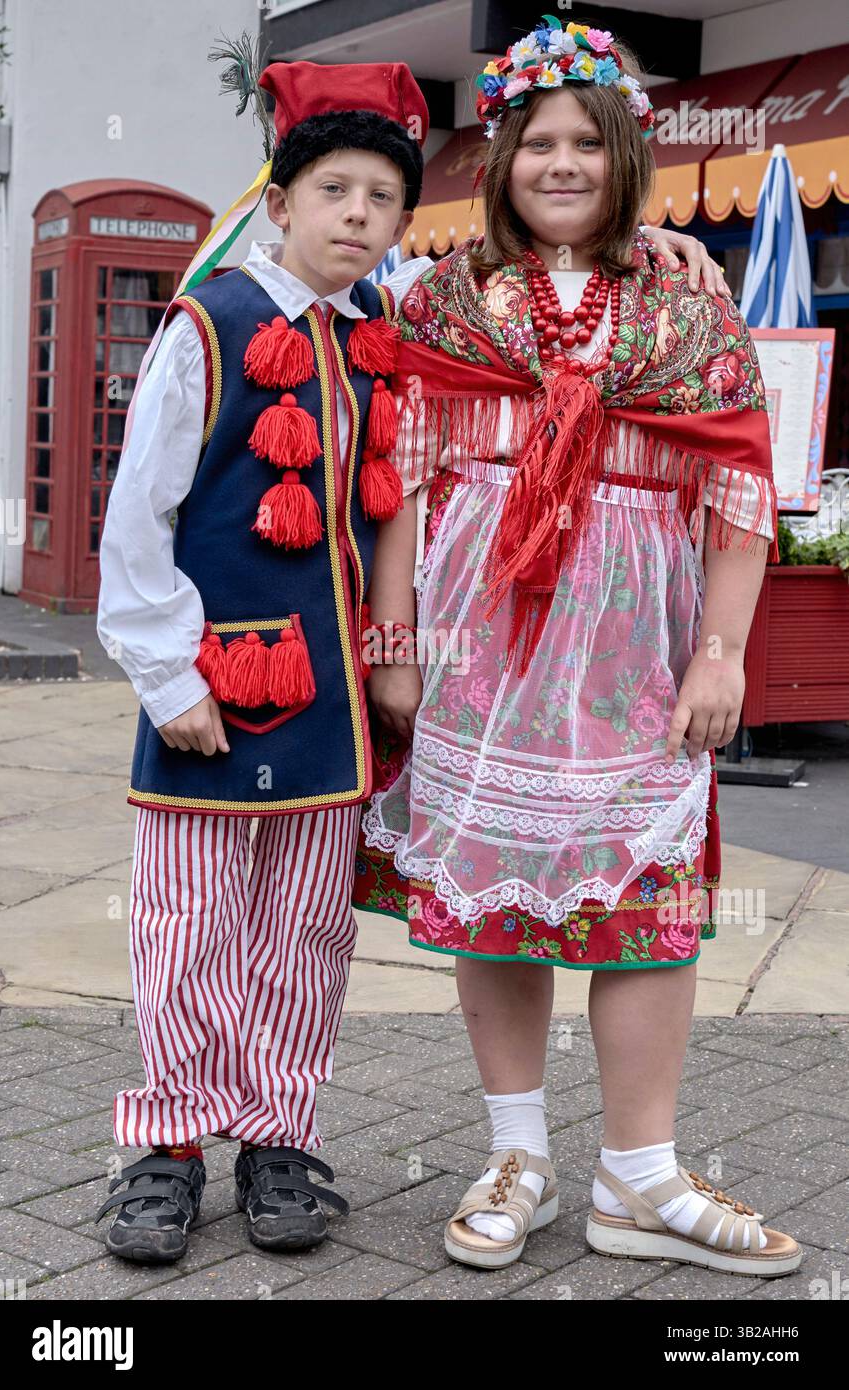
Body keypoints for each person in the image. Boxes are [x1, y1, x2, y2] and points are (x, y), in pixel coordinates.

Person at [354, 17, 803, 1277]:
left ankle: (639, 1175)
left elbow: (739, 490)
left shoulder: (688, 297)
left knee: (643, 899)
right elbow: (403, 481)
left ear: (624, 158)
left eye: (584, 144)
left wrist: (723, 651)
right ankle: (518, 1154)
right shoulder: (442, 296)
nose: (559, 163)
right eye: (534, 141)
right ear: (499, 161)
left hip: (636, 647)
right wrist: (395, 644)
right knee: (497, 905)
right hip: (478, 642)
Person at [93, 57, 435, 1262]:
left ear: (401, 222)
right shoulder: (208, 325)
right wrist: (167, 674)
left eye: (382, 197)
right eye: (333, 188)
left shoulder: (380, 336)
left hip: (330, 701)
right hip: (211, 689)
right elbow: (139, 515)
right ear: (279, 201)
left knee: (304, 930)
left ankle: (280, 1132)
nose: (357, 213)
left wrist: (398, 654)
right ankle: (171, 1140)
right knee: (186, 923)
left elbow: (396, 511)